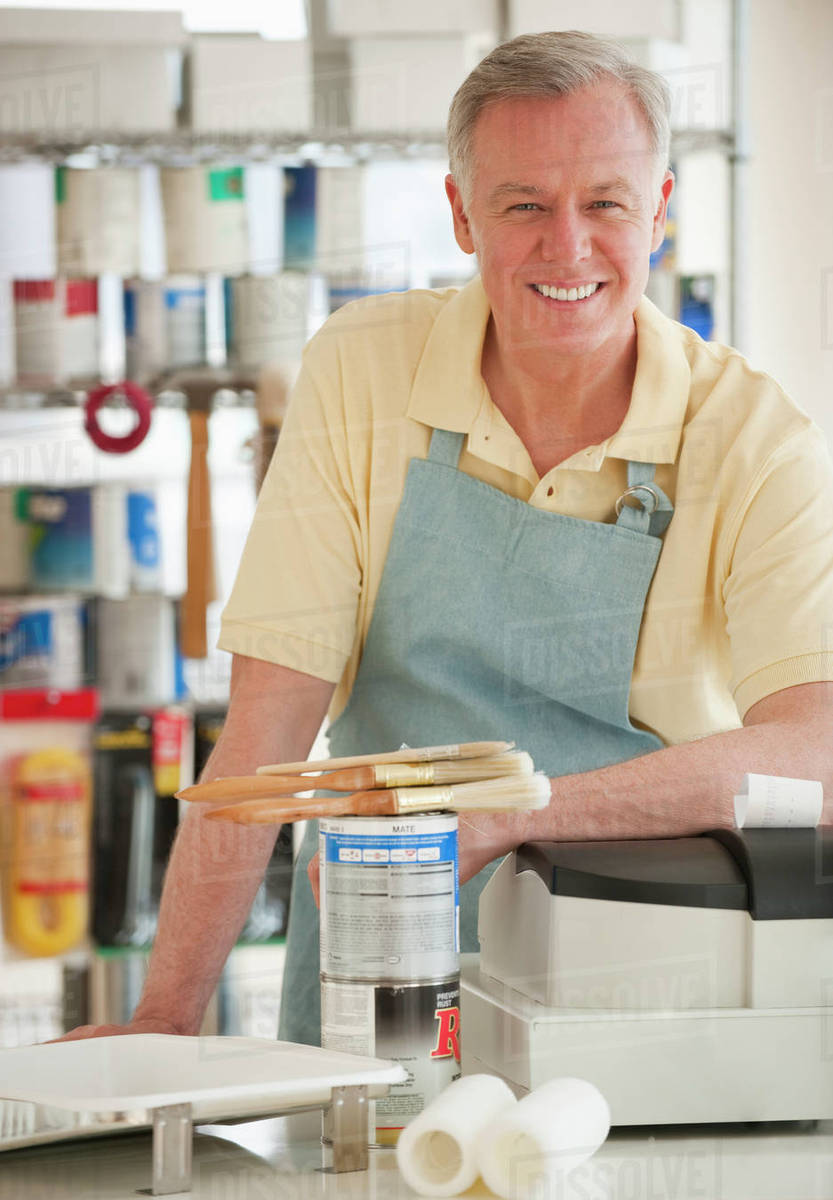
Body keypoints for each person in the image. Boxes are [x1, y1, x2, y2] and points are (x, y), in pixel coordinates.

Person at [64, 31, 833, 1047]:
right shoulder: (362, 370)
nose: (567, 247)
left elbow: (816, 753)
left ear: (659, 211)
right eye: (522, 205)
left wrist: (514, 813)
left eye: (605, 204)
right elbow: (263, 735)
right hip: (371, 958)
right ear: (462, 214)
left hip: (629, 986)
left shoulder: (754, 439)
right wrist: (163, 1021)